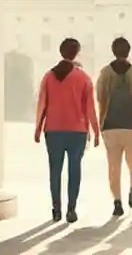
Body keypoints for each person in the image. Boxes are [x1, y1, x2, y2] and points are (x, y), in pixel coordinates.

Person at [34, 37, 99, 223]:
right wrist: (95, 131)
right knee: (74, 169)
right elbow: (89, 108)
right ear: (77, 53)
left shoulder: (48, 76)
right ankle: (71, 209)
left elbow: (42, 104)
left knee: (55, 170)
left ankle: (56, 209)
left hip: (53, 129)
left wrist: (38, 128)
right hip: (77, 131)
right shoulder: (83, 78)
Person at [95, 36, 132, 217]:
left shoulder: (104, 73)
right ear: (128, 51)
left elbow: (100, 97)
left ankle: (117, 201)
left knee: (113, 166)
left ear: (113, 51)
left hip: (110, 125)